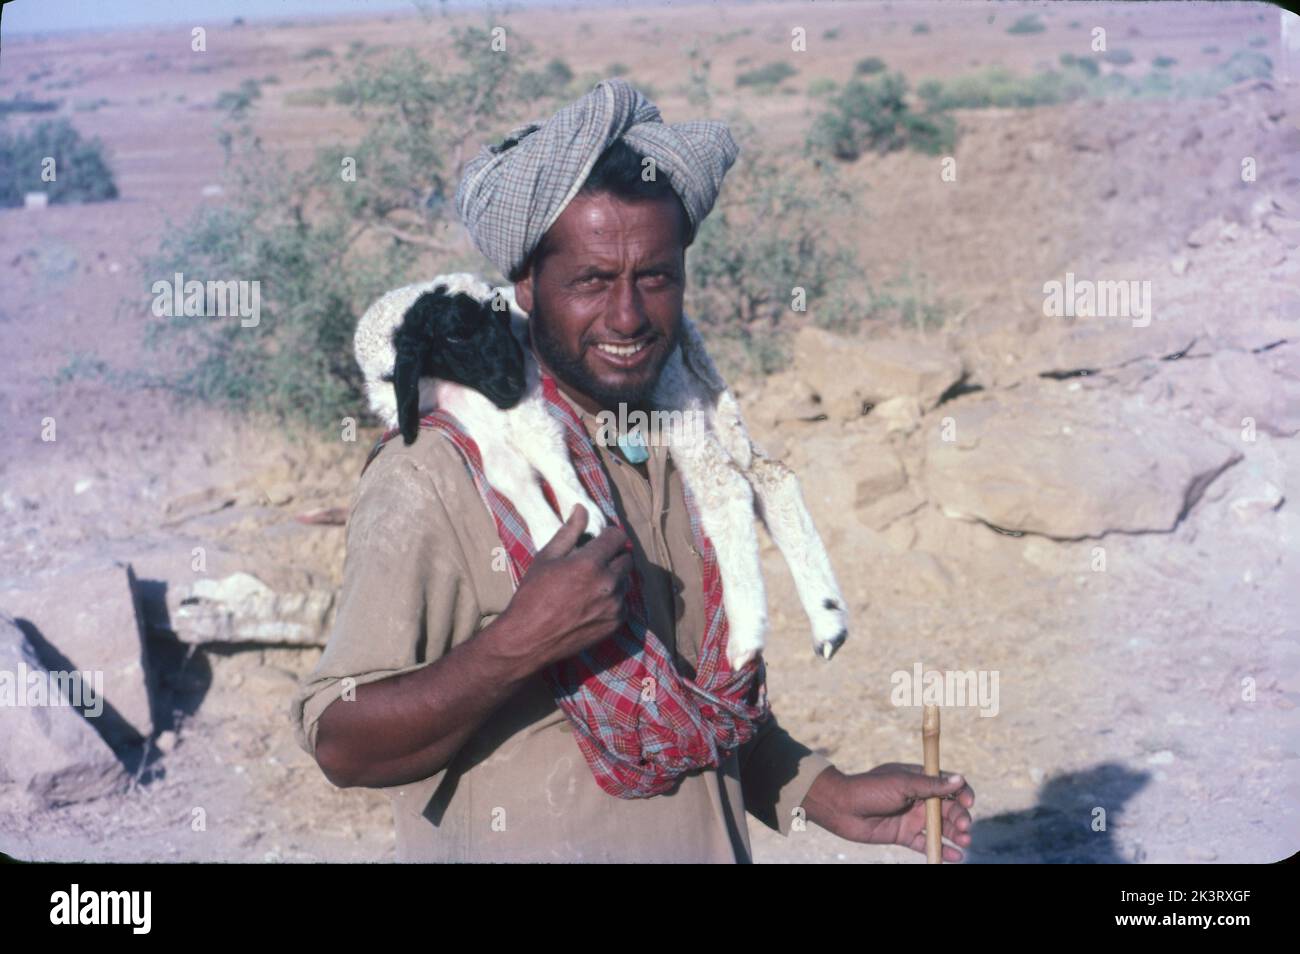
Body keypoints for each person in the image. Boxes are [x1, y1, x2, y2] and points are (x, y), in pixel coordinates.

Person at [290, 79, 974, 862]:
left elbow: (688, 706)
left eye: (654, 277)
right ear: (526, 286)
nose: (626, 316)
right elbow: (341, 741)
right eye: (590, 280)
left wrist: (825, 794)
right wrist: (519, 643)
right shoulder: (440, 470)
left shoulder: (691, 446)